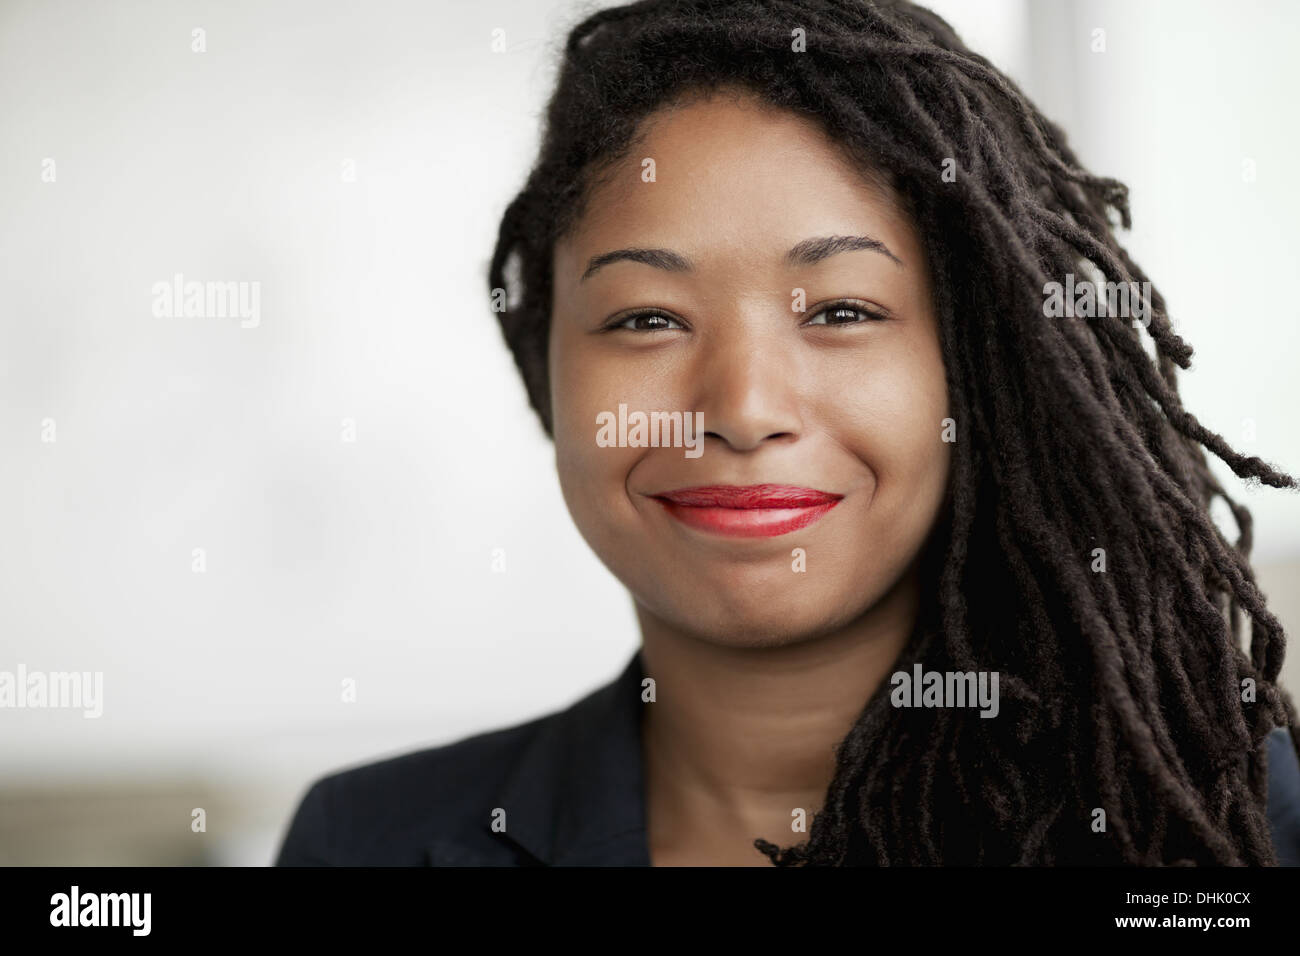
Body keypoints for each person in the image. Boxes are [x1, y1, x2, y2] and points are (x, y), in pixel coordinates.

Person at [275, 0, 1300, 866]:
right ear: (544, 363)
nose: (744, 407)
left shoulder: (1227, 821)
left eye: (841, 310)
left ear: (984, 366)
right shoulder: (365, 840)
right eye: (646, 318)